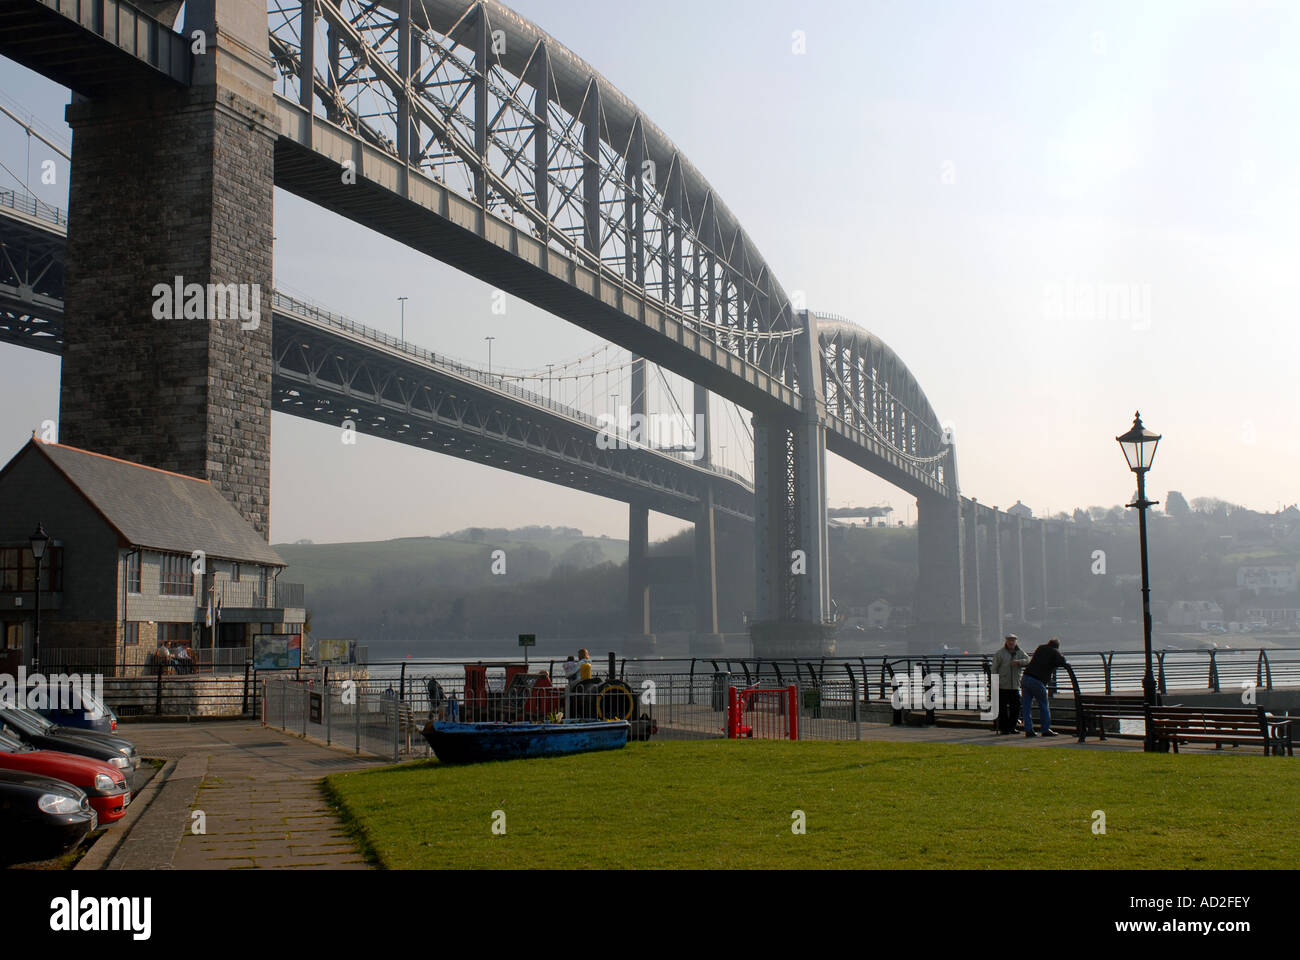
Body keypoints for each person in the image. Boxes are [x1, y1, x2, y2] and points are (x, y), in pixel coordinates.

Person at [1021, 637, 1068, 737]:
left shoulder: (1040, 648)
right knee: (1043, 704)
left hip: (1025, 677)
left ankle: (1029, 730)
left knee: (1026, 706)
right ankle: (1045, 729)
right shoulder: (1054, 651)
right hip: (1037, 681)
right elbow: (1062, 661)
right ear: (1057, 647)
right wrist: (1061, 655)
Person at [991, 635, 1028, 734]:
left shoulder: (1020, 652)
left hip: (1015, 685)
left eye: (1013, 641)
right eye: (1009, 641)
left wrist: (1019, 662)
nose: (1011, 642)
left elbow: (1028, 660)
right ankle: (1004, 728)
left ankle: (1012, 727)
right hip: (1003, 684)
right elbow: (994, 668)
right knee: (1002, 708)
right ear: (1006, 642)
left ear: (1016, 642)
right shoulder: (1000, 653)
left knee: (1016, 707)